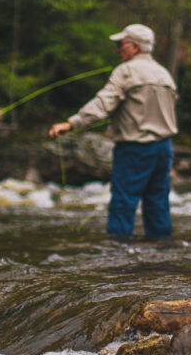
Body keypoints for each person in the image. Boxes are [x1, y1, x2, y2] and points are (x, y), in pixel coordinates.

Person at [49, 23, 178, 240]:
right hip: (164, 149)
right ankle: (161, 250)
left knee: (123, 202)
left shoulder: (125, 71)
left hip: (134, 149)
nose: (118, 49)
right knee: (158, 202)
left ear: (135, 46)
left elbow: (102, 105)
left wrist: (71, 124)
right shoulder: (165, 74)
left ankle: (117, 254)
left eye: (121, 44)